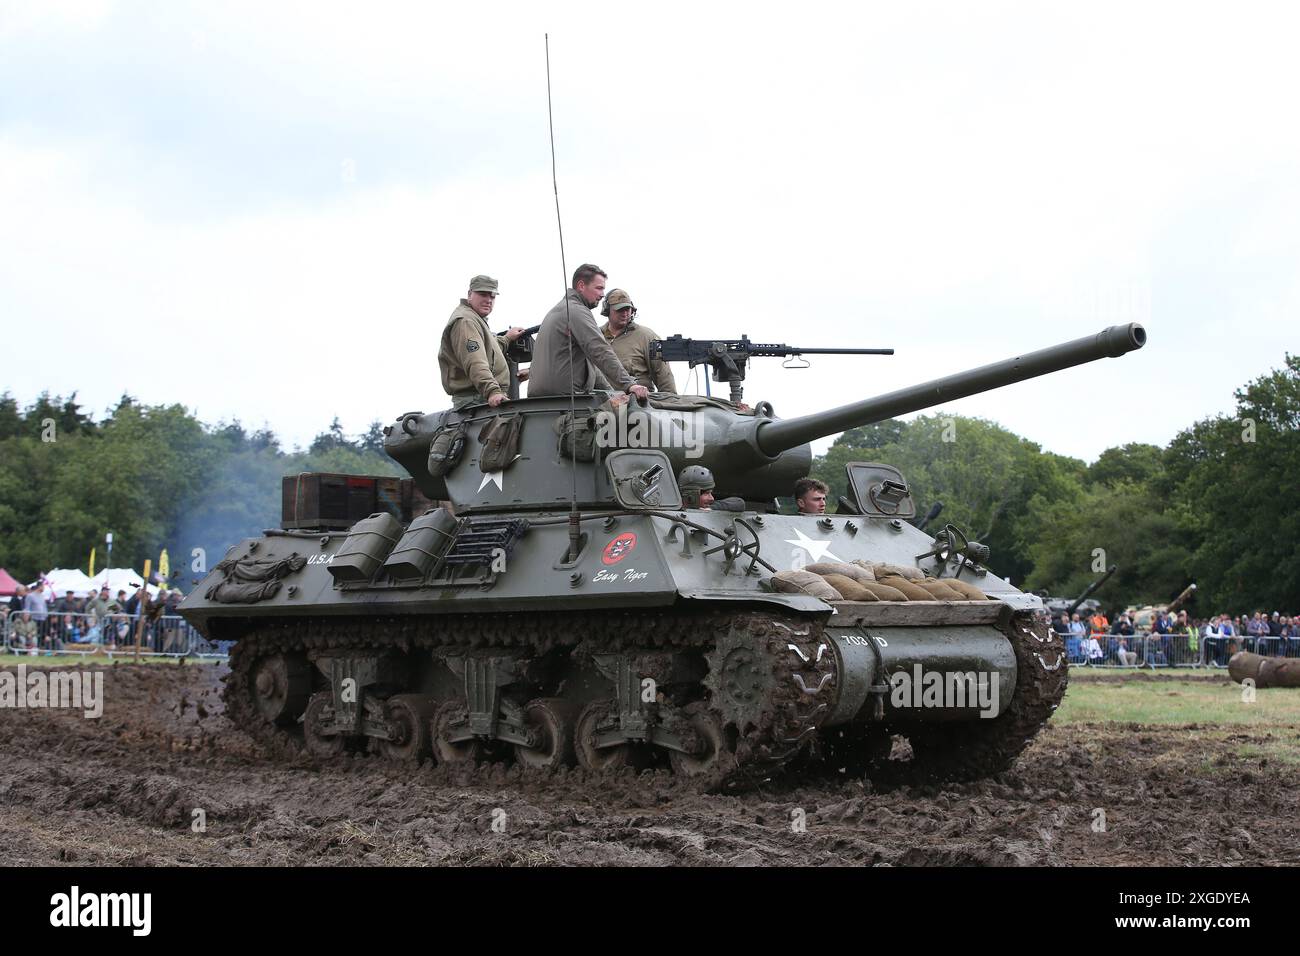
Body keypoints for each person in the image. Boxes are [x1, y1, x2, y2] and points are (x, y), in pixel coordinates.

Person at [529, 263, 648, 402]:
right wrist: (630, 385)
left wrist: (612, 393)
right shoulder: (576, 311)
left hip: (543, 401)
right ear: (581, 286)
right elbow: (600, 350)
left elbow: (589, 364)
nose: (602, 294)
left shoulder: (560, 309)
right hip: (566, 403)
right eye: (598, 288)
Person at [438, 275, 526, 408]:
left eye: (492, 296)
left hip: (482, 397)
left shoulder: (474, 318)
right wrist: (492, 391)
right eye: (483, 294)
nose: (488, 300)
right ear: (470, 294)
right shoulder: (466, 321)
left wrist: (507, 339)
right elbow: (475, 362)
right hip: (477, 401)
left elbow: (489, 351)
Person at [599, 289, 676, 393]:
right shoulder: (596, 336)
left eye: (628, 309)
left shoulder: (647, 337)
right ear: (607, 310)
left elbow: (663, 374)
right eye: (620, 309)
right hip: (600, 403)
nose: (625, 313)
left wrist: (670, 402)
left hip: (637, 404)